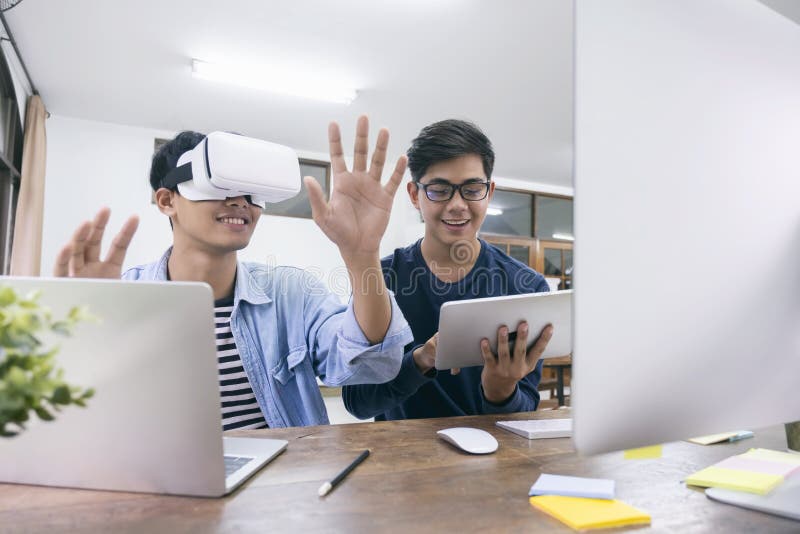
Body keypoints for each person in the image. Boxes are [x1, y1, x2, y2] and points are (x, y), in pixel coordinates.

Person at [53, 116, 413, 428]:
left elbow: (373, 366)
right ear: (167, 201)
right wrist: (81, 334)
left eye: (251, 191)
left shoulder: (292, 293)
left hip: (282, 489)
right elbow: (70, 413)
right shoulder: (124, 296)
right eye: (218, 185)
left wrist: (362, 255)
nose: (240, 201)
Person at [342, 119, 553, 421]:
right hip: (401, 459)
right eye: (440, 190)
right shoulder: (381, 279)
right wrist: (420, 360)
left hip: (493, 458)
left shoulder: (526, 287)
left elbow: (524, 415)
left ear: (489, 192)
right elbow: (359, 403)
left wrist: (500, 389)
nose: (457, 205)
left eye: (472, 189)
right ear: (415, 195)